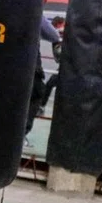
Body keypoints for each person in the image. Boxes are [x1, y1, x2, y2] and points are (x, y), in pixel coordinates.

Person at [24, 11, 62, 147]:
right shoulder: (33, 10)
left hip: (7, 64)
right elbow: (53, 35)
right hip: (29, 65)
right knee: (37, 94)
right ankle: (21, 135)